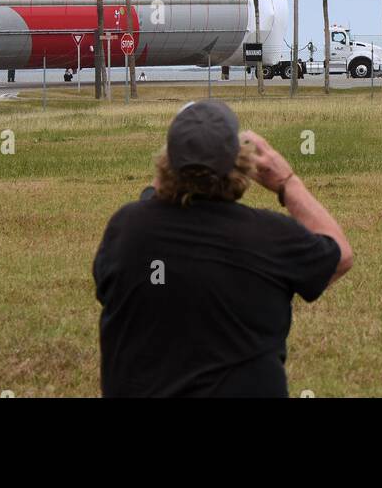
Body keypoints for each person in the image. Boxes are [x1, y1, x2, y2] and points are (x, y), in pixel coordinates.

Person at [93, 100, 353, 397]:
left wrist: (165, 182)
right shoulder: (271, 237)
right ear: (243, 163)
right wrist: (287, 182)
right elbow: (341, 255)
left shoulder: (126, 229)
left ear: (166, 162)